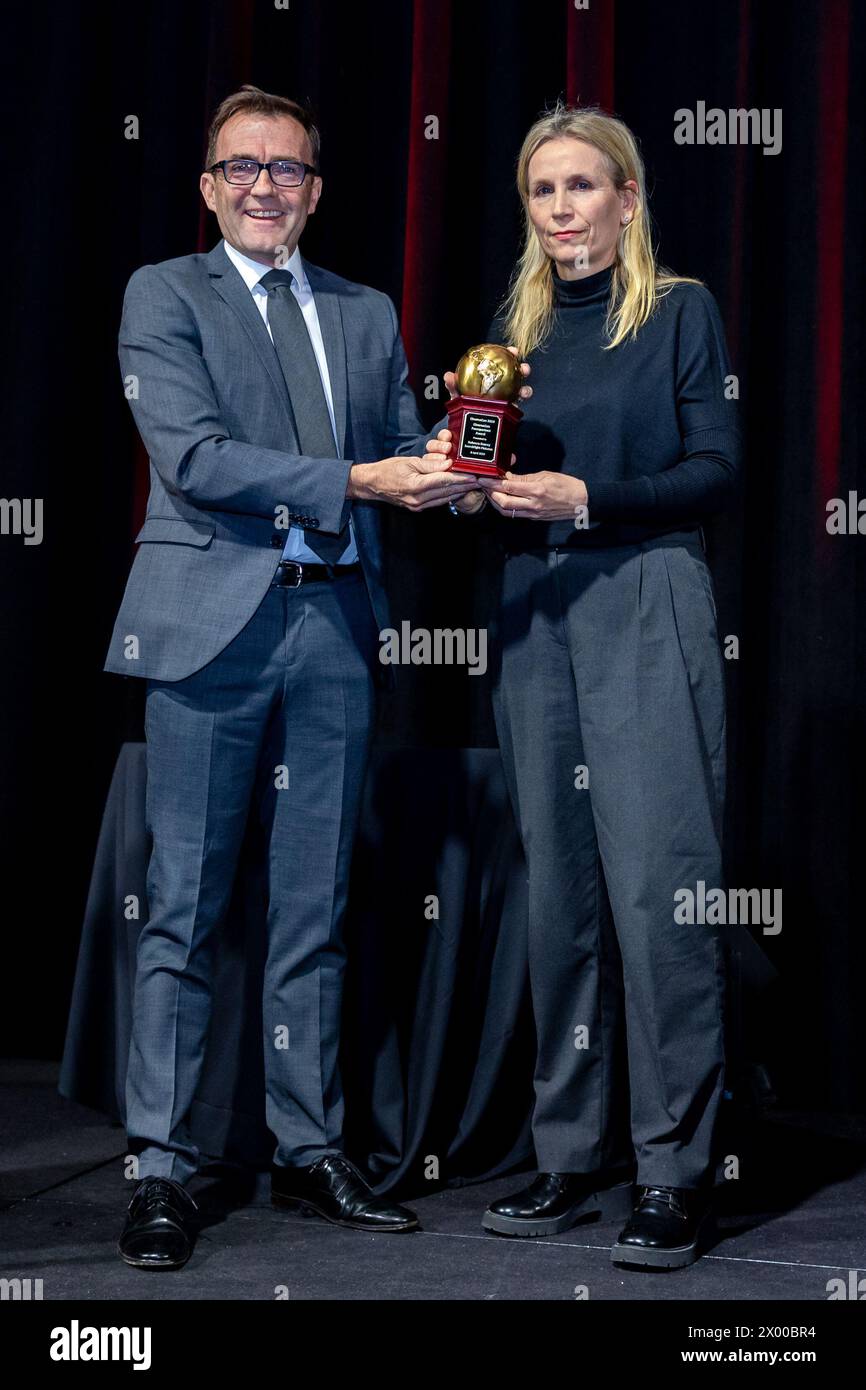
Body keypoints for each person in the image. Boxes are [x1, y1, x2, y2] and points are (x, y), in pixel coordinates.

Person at [105, 85, 486, 1269]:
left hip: (333, 626)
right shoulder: (163, 293)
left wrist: (461, 466)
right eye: (241, 167)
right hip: (208, 627)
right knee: (184, 904)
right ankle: (163, 1169)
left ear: (315, 189)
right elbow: (199, 457)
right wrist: (363, 482)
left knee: (315, 905)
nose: (264, 186)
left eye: (286, 168)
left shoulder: (366, 314)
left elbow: (399, 454)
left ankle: (309, 1146)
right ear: (208, 186)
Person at [428, 103, 742, 1269]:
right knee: (558, 896)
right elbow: (481, 469)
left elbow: (714, 469)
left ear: (625, 195)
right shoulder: (507, 338)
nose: (563, 210)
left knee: (659, 896)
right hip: (529, 613)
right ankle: (570, 1151)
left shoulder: (676, 311)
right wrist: (463, 491)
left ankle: (673, 1167)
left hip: (642, 596)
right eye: (542, 191)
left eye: (582, 186)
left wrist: (588, 500)